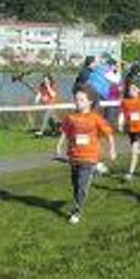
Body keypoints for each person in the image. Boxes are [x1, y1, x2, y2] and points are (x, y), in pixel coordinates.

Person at [57, 87, 117, 224]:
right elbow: (65, 132)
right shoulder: (71, 118)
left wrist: (112, 149)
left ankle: (77, 211)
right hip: (74, 156)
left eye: (81, 100)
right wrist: (59, 145)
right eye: (76, 99)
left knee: (82, 185)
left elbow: (108, 134)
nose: (77, 102)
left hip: (89, 156)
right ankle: (95, 170)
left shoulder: (95, 118)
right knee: (76, 184)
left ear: (89, 102)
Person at [119, 82, 140, 181]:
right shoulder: (125, 102)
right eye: (129, 89)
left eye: (134, 89)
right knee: (138, 150)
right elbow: (122, 113)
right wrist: (120, 124)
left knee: (134, 150)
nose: (131, 91)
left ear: (139, 90)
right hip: (131, 129)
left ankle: (130, 173)